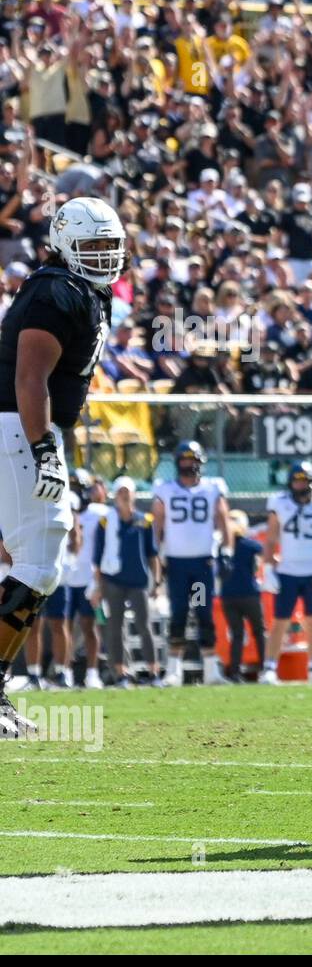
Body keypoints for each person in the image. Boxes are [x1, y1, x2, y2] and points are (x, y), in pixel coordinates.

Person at [0, 196, 124, 737]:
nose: (103, 257)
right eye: (92, 246)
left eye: (110, 247)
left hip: (23, 430)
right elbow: (31, 377)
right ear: (66, 242)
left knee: (26, 558)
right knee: (41, 558)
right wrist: (43, 447)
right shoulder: (57, 289)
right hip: (19, 429)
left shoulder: (84, 290)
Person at [152, 441, 232, 686]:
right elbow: (158, 526)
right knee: (178, 614)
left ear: (200, 462)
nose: (189, 465)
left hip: (201, 564)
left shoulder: (212, 488)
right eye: (185, 460)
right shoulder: (164, 489)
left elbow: (223, 519)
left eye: (193, 460)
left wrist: (227, 550)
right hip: (177, 564)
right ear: (178, 463)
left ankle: (210, 671)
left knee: (203, 613)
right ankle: (173, 671)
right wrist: (158, 557)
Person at [259, 460, 312, 685]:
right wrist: (267, 568)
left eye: (303, 481)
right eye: (296, 481)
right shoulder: (279, 503)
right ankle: (270, 668)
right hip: (287, 570)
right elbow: (271, 537)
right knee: (280, 621)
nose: (299, 486)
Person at [90, 476, 161, 688]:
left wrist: (156, 581)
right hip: (113, 581)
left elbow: (152, 554)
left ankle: (153, 671)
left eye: (127, 491)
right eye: (120, 491)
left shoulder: (144, 520)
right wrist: (98, 587)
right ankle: (121, 673)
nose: (124, 495)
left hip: (138, 581)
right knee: (115, 627)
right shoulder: (106, 522)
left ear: (134, 494)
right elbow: (98, 558)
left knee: (144, 625)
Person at [58, 471, 107, 688]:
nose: (74, 491)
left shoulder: (99, 514)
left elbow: (105, 546)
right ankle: (65, 670)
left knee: (90, 626)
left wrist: (100, 580)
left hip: (88, 578)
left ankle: (93, 672)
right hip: (66, 577)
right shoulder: (60, 510)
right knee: (63, 626)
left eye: (78, 487)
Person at [218, 508, 265, 683]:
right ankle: (265, 668)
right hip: (249, 594)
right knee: (259, 632)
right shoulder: (250, 544)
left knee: (237, 635)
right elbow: (267, 556)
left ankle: (235, 672)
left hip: (228, 596)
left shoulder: (221, 547)